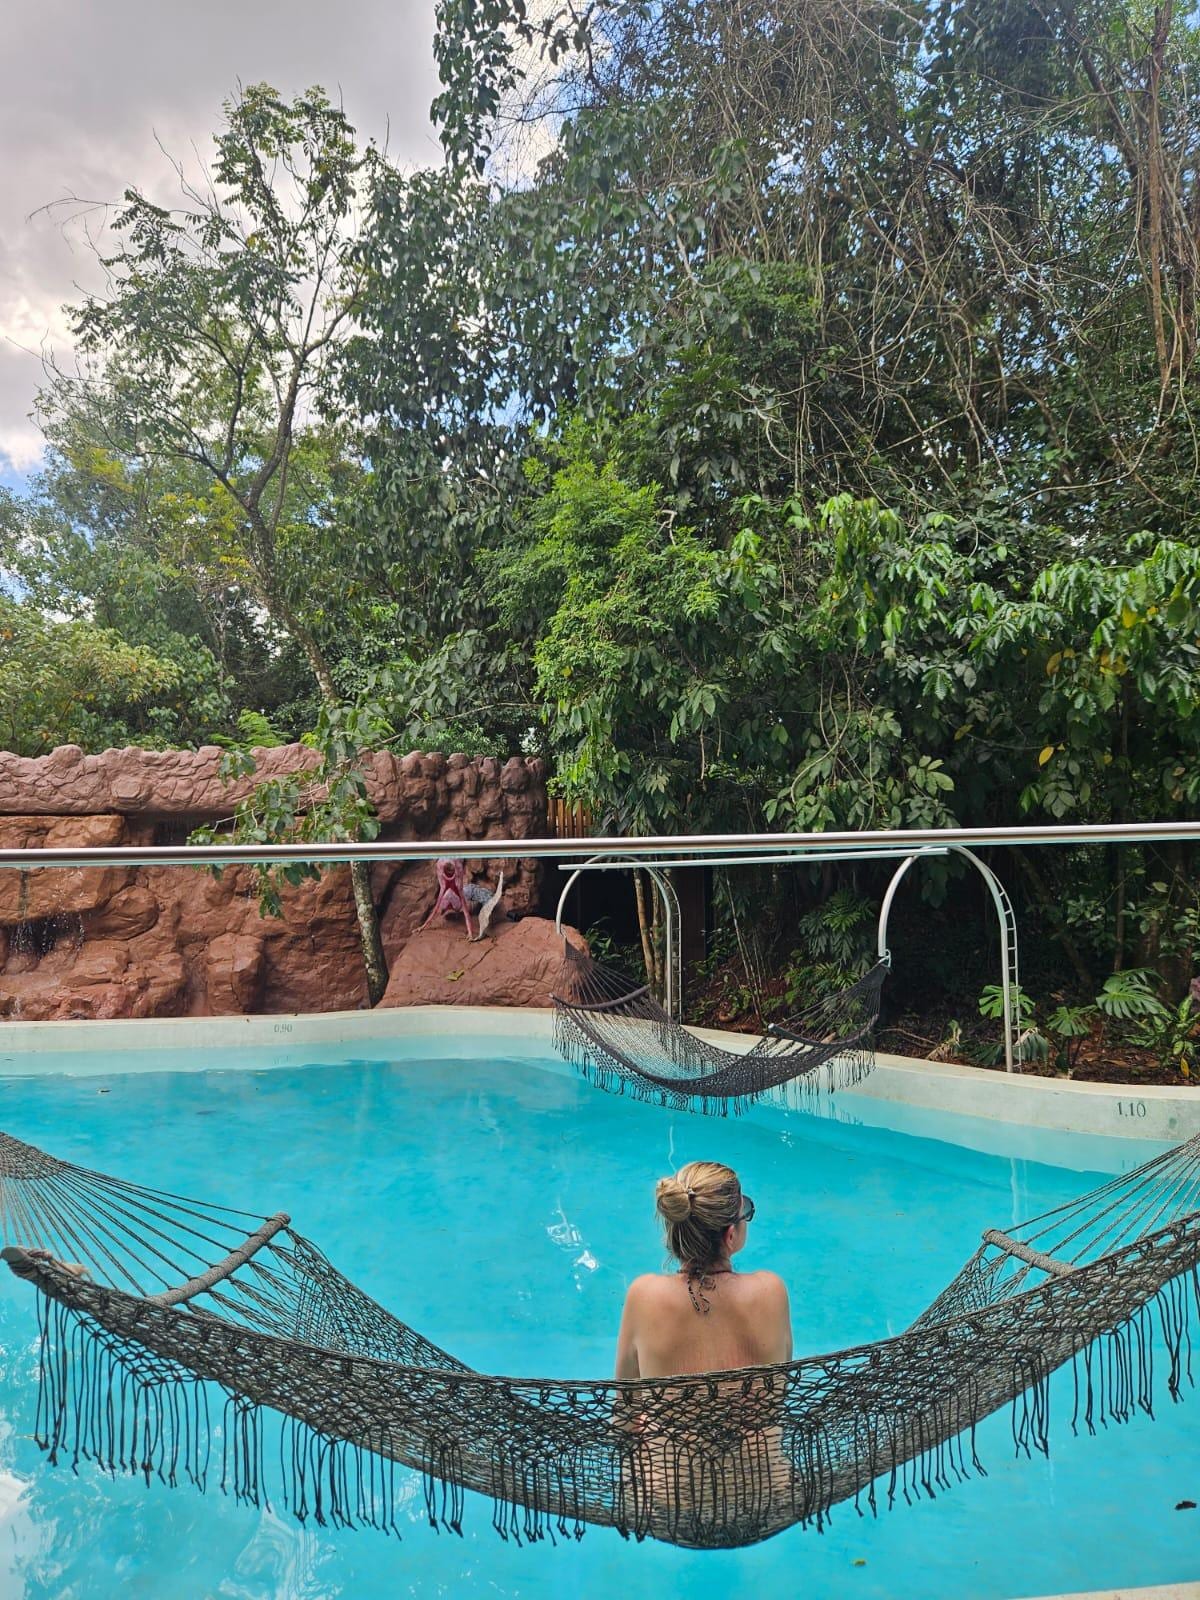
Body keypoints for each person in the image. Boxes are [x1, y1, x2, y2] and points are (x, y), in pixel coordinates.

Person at [614, 1160, 792, 1381]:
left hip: (673, 1417)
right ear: (730, 1235)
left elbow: (625, 1409)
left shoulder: (643, 1296)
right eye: (744, 1212)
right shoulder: (771, 1291)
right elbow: (781, 1387)